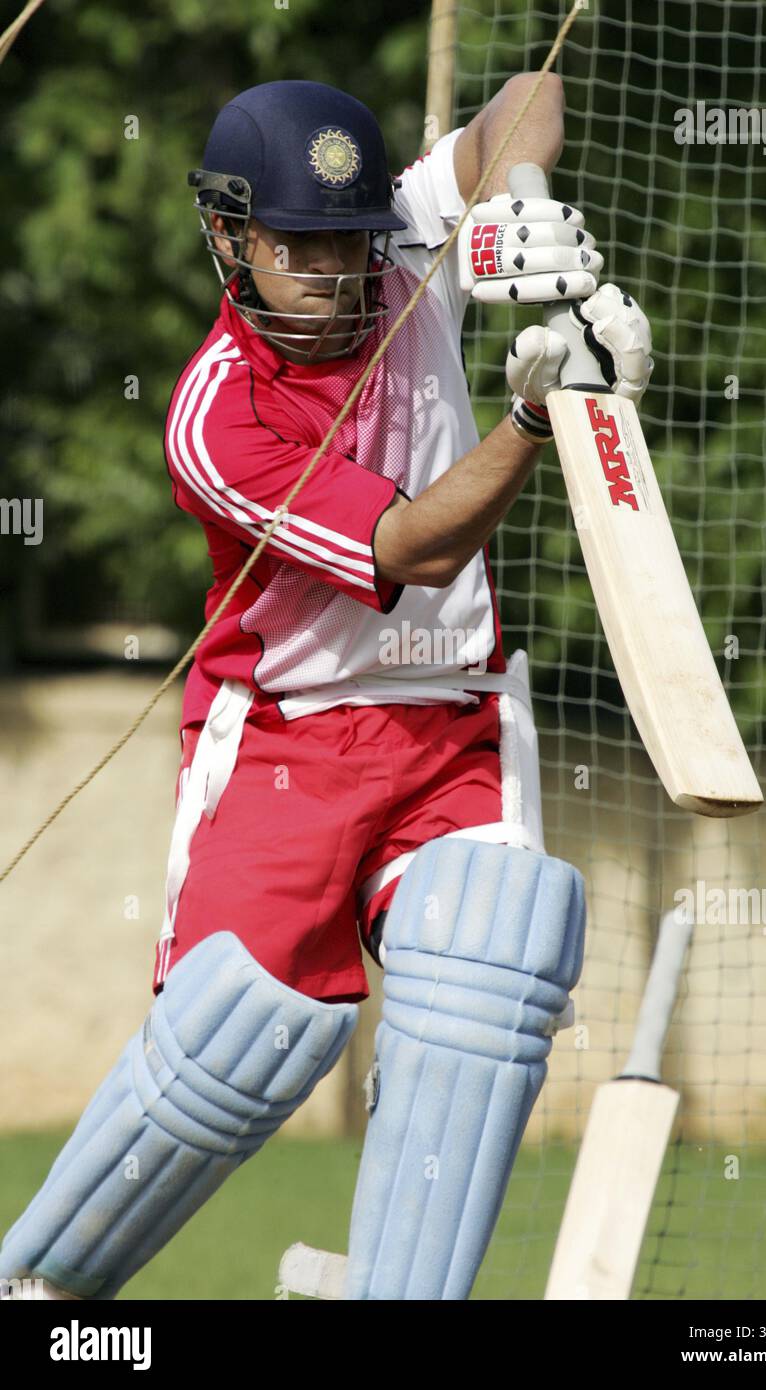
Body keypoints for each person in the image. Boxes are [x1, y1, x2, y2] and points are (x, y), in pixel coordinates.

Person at [0, 75, 653, 1300]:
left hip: (453, 730)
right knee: (234, 1040)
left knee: (493, 958)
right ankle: (43, 1291)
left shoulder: (405, 242)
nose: (331, 270)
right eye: (294, 242)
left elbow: (531, 96)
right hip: (288, 745)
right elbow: (413, 551)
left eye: (348, 244)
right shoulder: (216, 413)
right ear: (231, 236)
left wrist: (517, 201)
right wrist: (531, 413)